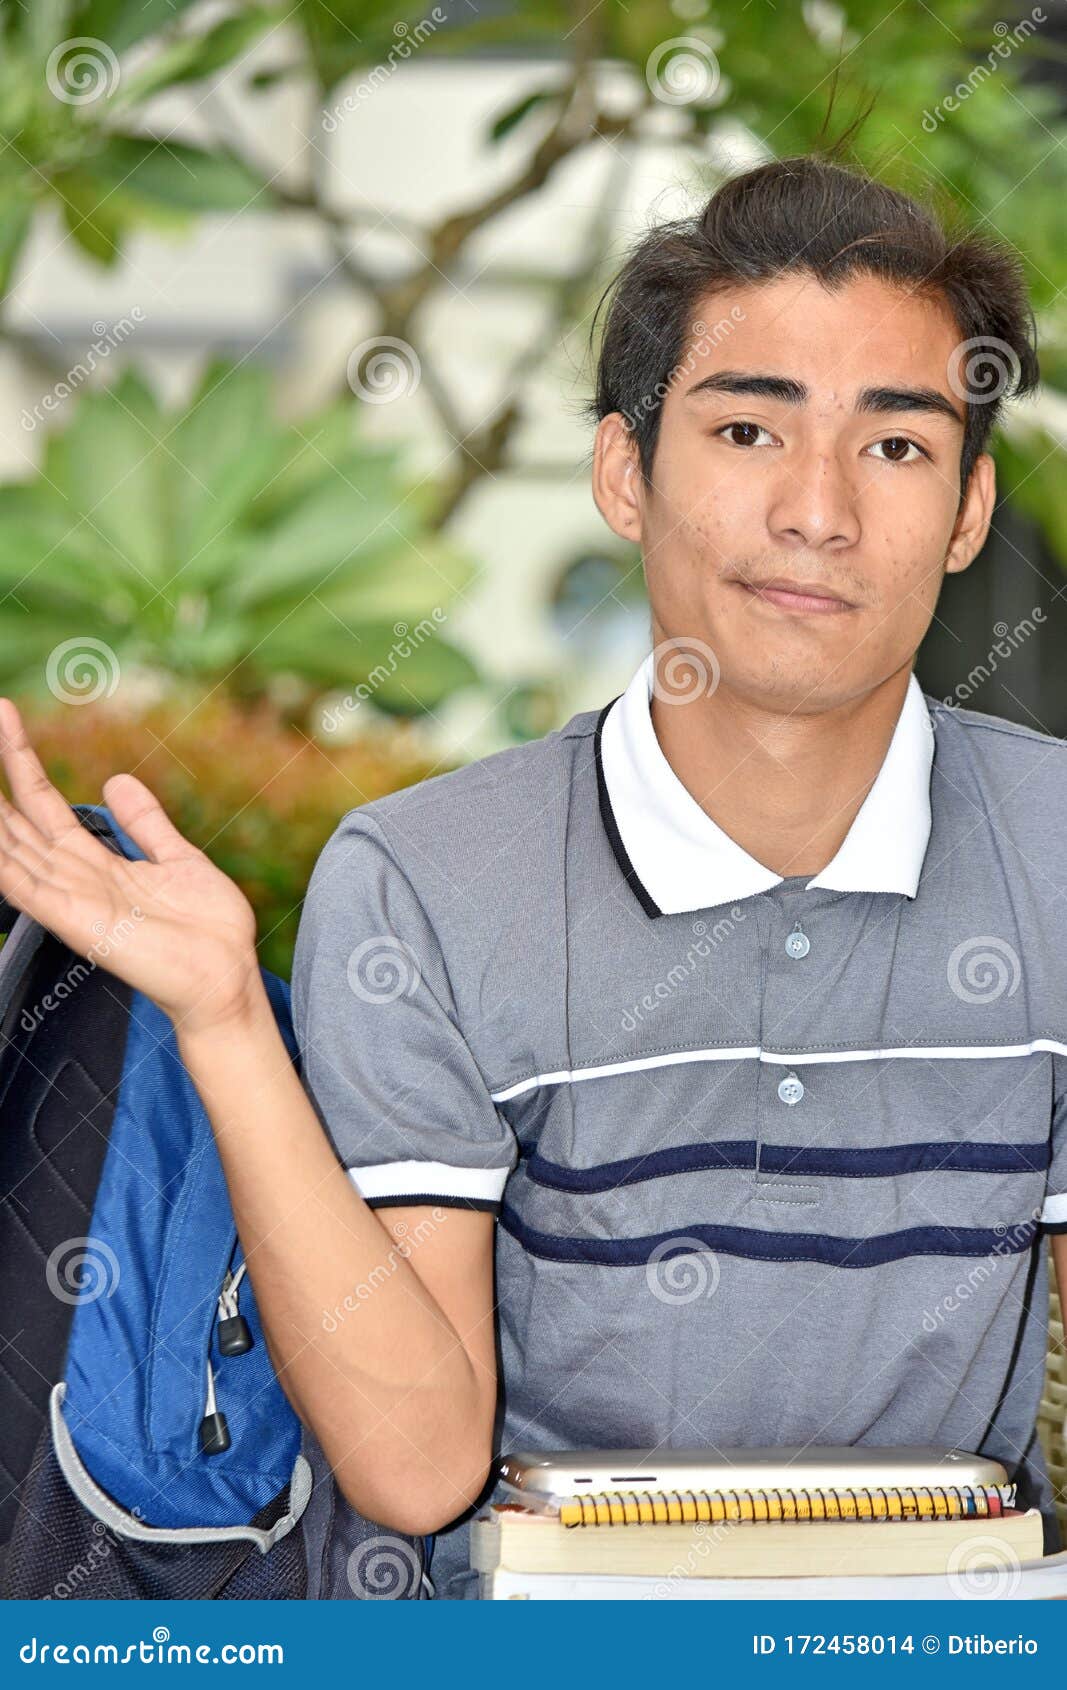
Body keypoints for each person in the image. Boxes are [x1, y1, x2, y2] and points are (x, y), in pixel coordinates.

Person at [1, 153, 1065, 1601]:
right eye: (749, 428)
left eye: (895, 446)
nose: (820, 510)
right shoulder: (426, 882)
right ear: (626, 473)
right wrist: (225, 1020)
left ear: (963, 508)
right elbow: (421, 1461)